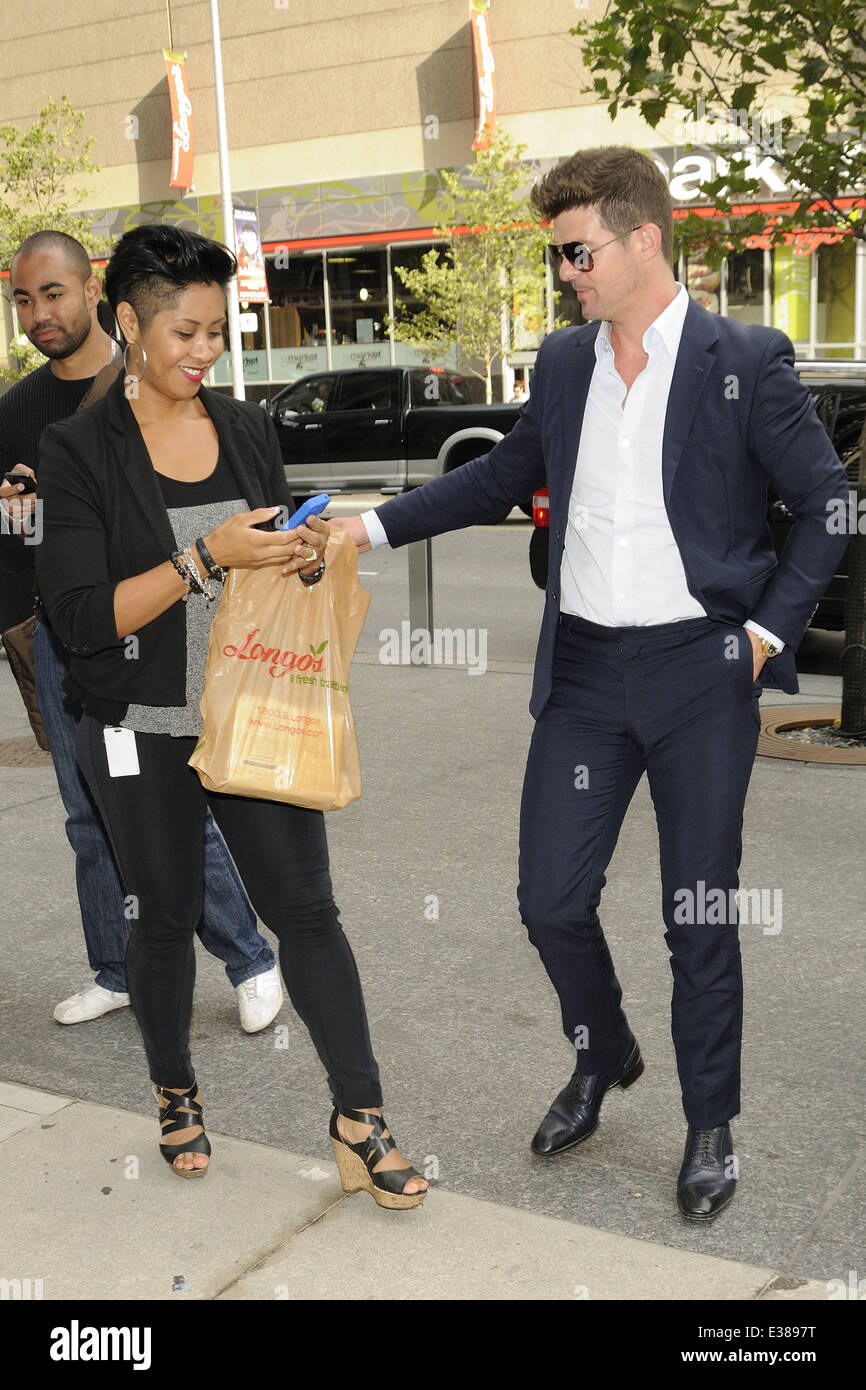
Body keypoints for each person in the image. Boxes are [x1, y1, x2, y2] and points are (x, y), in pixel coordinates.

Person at [334, 146, 849, 1221]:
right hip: (583, 675)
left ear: (641, 238)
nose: (565, 270)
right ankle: (602, 1047)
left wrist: (762, 633)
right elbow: (500, 472)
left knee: (693, 910)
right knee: (548, 898)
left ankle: (709, 1120)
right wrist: (370, 526)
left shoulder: (742, 358)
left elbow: (824, 503)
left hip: (698, 672)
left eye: (577, 251)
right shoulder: (563, 362)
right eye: (558, 253)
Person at [35, 223, 427, 1202]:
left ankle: (359, 1116)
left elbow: (282, 550)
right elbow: (81, 619)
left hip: (255, 710)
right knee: (162, 917)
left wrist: (304, 552)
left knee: (308, 914)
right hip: (134, 723)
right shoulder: (77, 448)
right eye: (184, 331)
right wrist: (207, 556)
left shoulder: (246, 426)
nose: (204, 350)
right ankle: (174, 1089)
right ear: (126, 323)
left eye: (217, 330)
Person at [0, 230, 283, 1033]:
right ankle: (113, 967)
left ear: (102, 300)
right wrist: (17, 512)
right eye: (21, 298)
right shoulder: (18, 410)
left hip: (168, 627)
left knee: (179, 803)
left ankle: (248, 958)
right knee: (89, 808)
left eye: (52, 293)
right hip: (57, 629)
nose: (37, 313)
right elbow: (28, 535)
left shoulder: (154, 377)